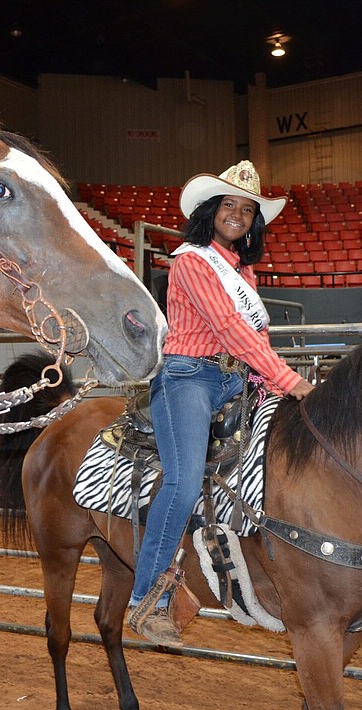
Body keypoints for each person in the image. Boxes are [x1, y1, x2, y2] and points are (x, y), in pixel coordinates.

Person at [126, 161, 314, 647]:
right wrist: (286, 379)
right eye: (229, 205)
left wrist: (270, 381)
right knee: (185, 481)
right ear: (211, 211)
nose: (238, 215)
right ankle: (146, 599)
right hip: (188, 376)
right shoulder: (191, 261)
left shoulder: (242, 270)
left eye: (247, 210)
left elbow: (254, 335)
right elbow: (229, 329)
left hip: (234, 380)